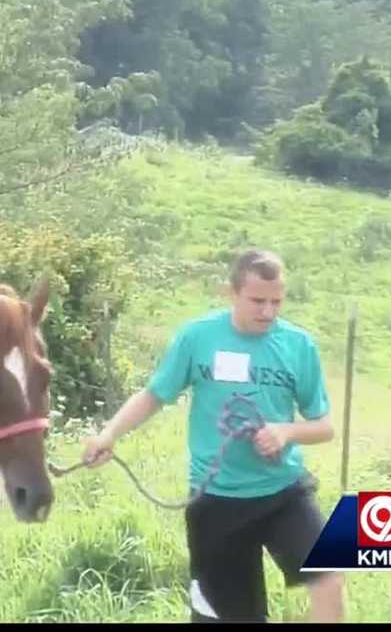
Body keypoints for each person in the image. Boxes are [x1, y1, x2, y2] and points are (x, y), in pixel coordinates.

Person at [81, 249, 345, 623]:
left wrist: (286, 431)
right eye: (257, 301)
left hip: (284, 492)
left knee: (329, 578)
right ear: (231, 293)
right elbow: (155, 395)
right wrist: (108, 434)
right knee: (231, 618)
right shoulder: (197, 337)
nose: (268, 312)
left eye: (276, 302)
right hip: (217, 501)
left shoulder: (298, 346)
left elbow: (325, 427)